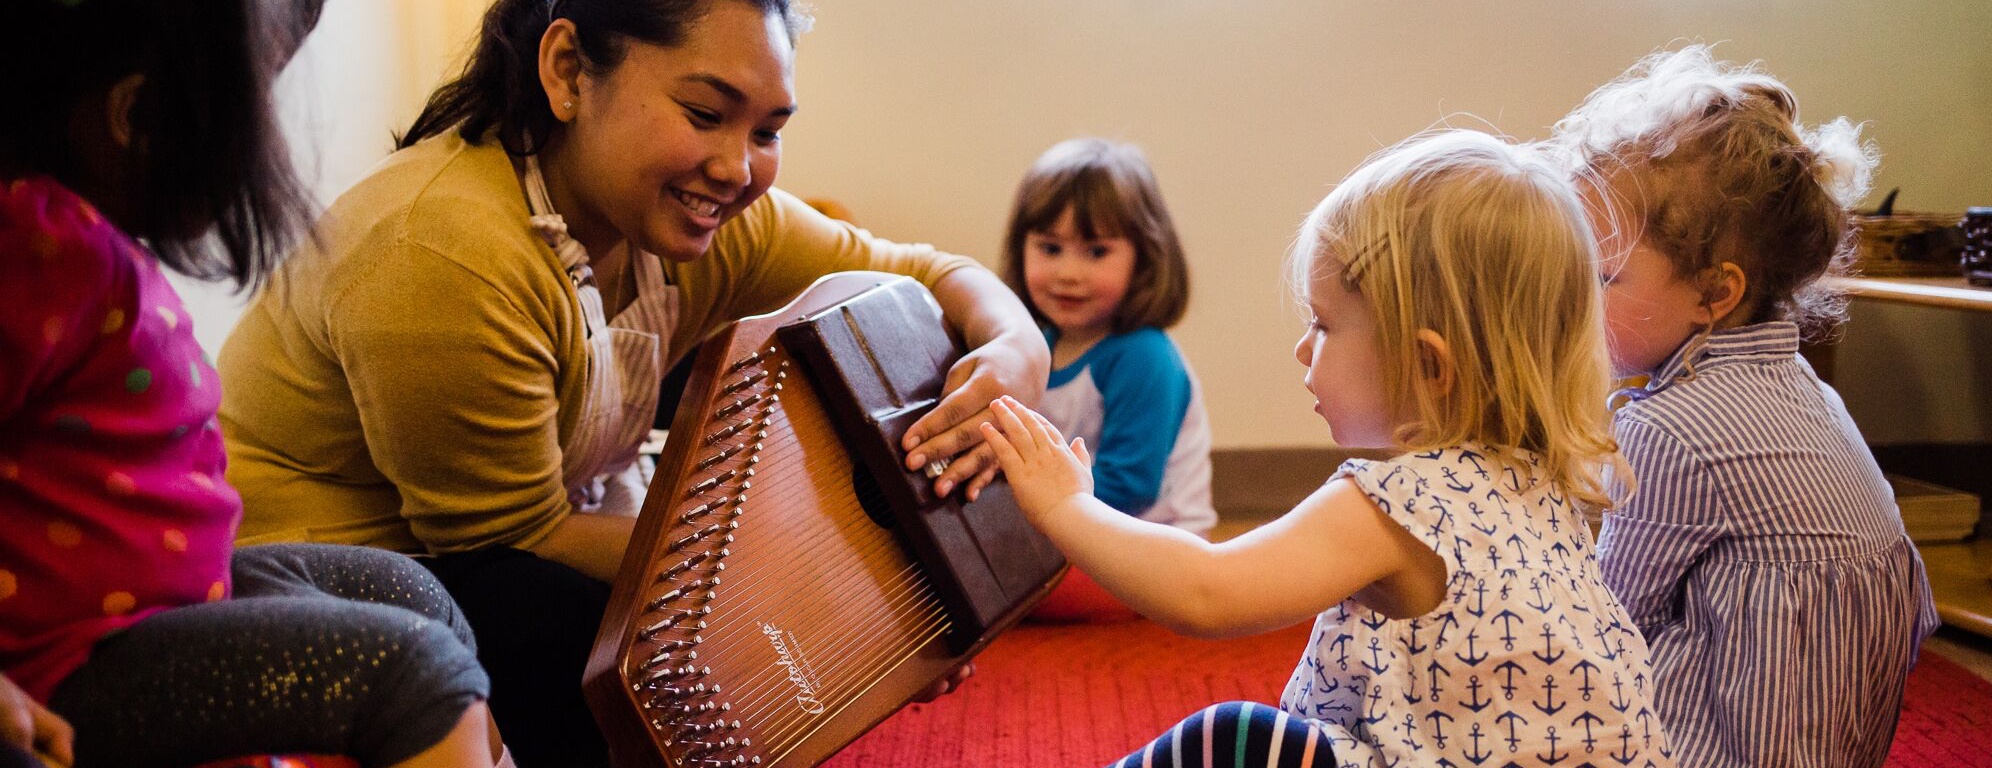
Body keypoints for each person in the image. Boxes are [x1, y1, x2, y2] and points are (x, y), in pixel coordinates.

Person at [215, 0, 1047, 764]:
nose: (737, 167)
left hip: (498, 551)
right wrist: (845, 608)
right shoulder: (442, 249)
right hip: (315, 588)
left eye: (767, 130)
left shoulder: (706, 222)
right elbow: (513, 541)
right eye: (706, 114)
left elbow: (923, 274)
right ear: (569, 71)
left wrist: (1017, 348)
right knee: (565, 626)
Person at [981, 130, 1668, 767]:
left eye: (1324, 323)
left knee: (1234, 738)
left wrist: (1067, 504)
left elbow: (1206, 593)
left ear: (1430, 367)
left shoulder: (1399, 504)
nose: (1303, 347)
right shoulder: (1540, 486)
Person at [0, 1, 500, 767]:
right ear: (135, 116)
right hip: (75, 663)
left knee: (412, 594)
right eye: (255, 102)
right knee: (413, 676)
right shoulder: (36, 243)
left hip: (164, 605)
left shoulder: (83, 239)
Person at [1547, 45, 1939, 767]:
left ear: (1715, 293)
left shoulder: (1671, 429)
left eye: (1603, 278)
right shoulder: (1796, 383)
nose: (1575, 298)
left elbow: (1603, 624)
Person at [999, 138, 1215, 622]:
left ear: (1144, 257)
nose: (1068, 273)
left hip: (1153, 555)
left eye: (1096, 252)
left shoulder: (1144, 355)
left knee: (976, 588)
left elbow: (1131, 484)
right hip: (1076, 534)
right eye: (1049, 248)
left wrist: (1022, 522)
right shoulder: (1038, 344)